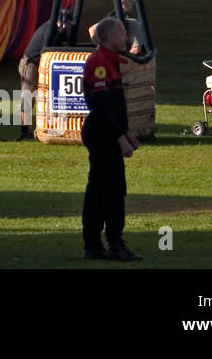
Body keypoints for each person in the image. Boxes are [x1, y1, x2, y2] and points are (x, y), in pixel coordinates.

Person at [81, 18, 141, 261]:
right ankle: (113, 243)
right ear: (107, 39)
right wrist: (120, 138)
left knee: (99, 188)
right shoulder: (100, 63)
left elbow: (113, 107)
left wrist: (125, 131)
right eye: (120, 34)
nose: (125, 38)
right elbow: (102, 106)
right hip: (102, 134)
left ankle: (94, 245)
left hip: (108, 132)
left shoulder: (111, 62)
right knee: (113, 189)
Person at [17, 8, 73, 140]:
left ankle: (42, 127)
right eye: (69, 22)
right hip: (31, 64)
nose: (70, 25)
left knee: (41, 97)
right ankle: (24, 132)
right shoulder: (51, 30)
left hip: (39, 64)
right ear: (62, 21)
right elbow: (45, 51)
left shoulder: (60, 30)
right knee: (28, 97)